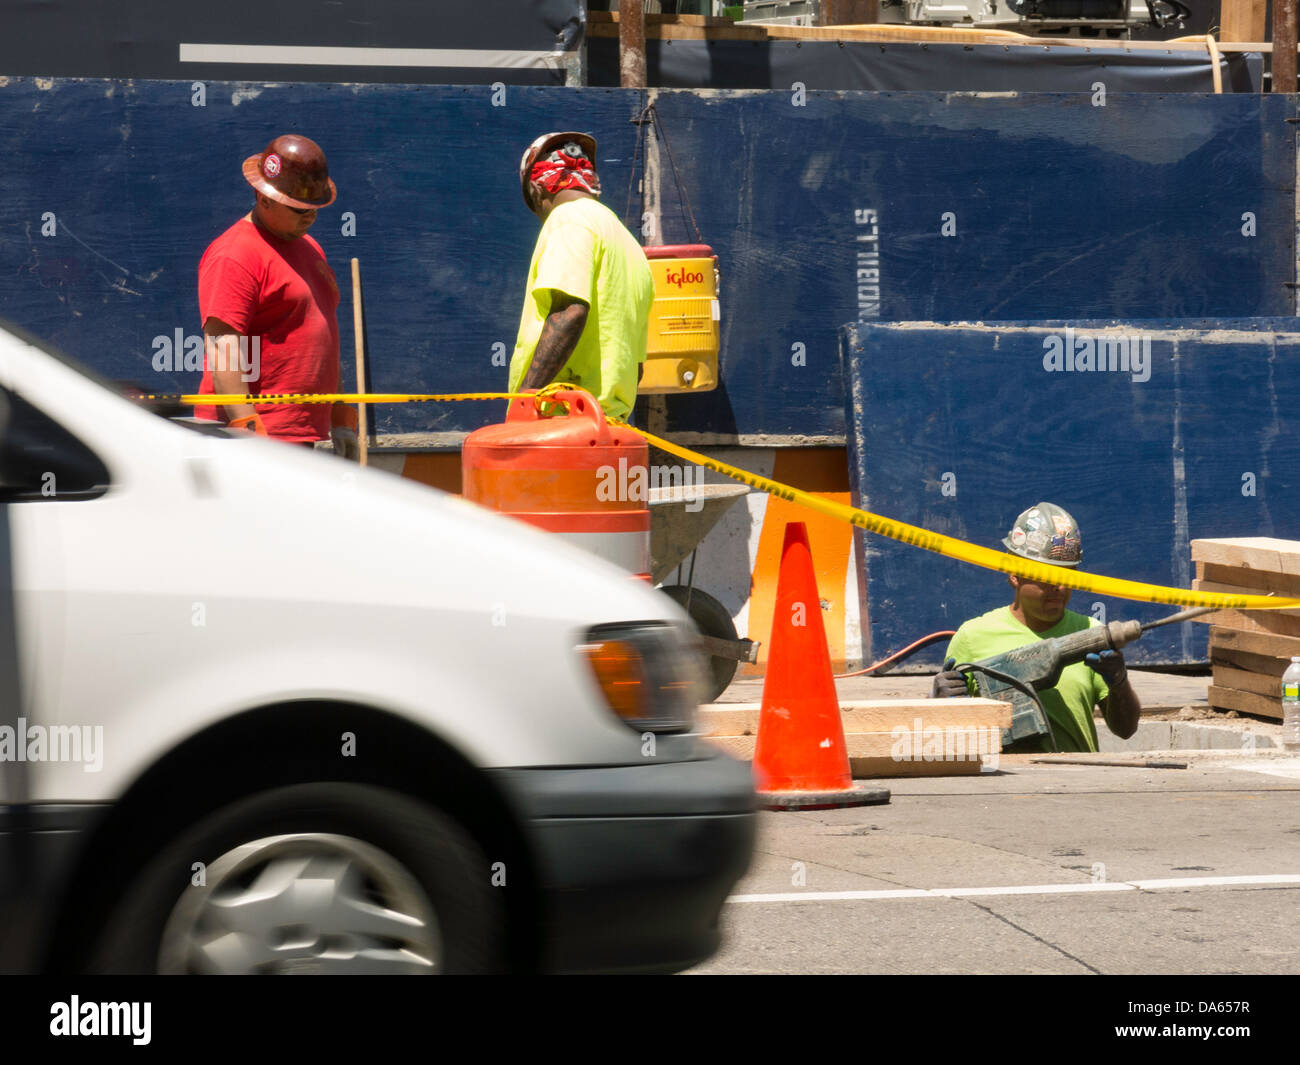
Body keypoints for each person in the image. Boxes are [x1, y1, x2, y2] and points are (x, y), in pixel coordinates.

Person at [194, 134, 358, 457]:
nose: (309, 216)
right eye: (298, 209)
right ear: (263, 197)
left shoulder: (311, 248)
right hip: (254, 441)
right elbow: (222, 349)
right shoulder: (235, 254)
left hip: (295, 439)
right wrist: (248, 431)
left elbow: (324, 337)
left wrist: (341, 417)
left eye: (314, 207)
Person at [931, 502, 1141, 753]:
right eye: (1047, 575)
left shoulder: (1089, 632)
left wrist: (1119, 682)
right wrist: (938, 705)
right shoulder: (972, 637)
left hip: (1080, 783)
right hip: (998, 787)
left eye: (1068, 576)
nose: (1059, 587)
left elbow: (1126, 730)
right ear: (1014, 573)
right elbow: (943, 741)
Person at [508, 131, 655, 422]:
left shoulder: (568, 220)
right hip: (611, 427)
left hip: (559, 421)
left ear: (538, 190)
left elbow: (569, 314)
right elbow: (635, 366)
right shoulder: (630, 246)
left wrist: (525, 402)